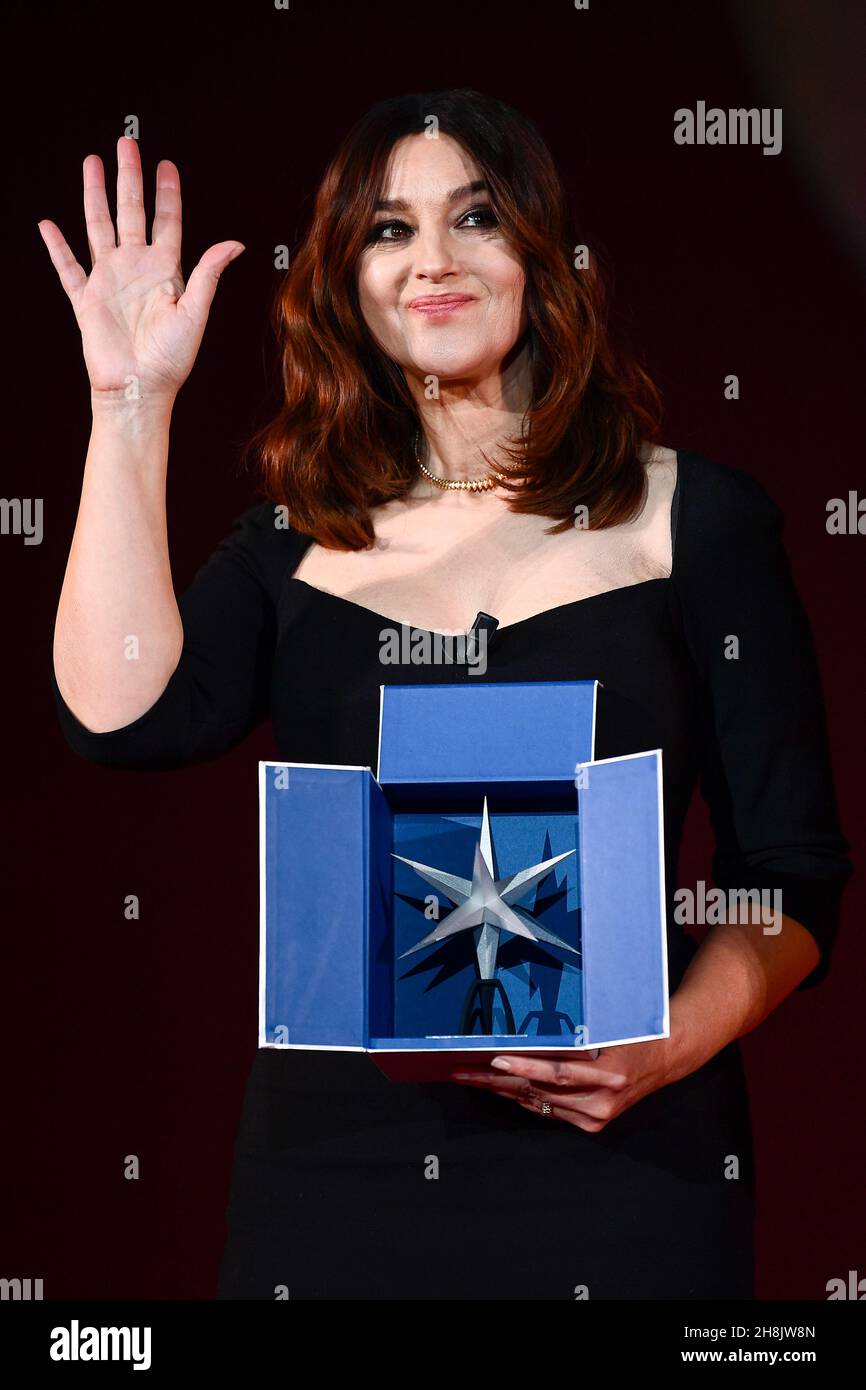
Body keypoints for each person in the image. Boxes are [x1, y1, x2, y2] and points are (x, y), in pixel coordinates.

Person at [42, 89, 852, 1300]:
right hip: (331, 1188)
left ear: (538, 251)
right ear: (344, 280)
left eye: (473, 216)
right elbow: (120, 718)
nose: (431, 260)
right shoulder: (290, 548)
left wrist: (668, 1042)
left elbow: (791, 872)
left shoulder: (699, 520)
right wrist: (129, 407)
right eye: (385, 229)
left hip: (626, 1167)